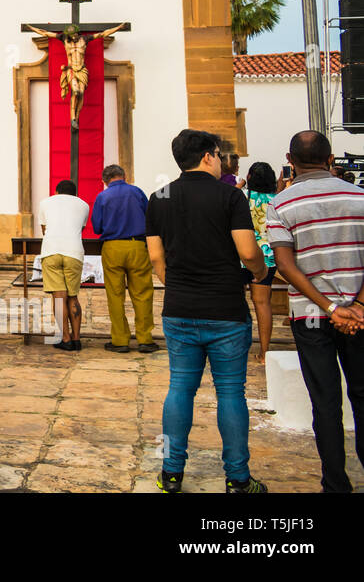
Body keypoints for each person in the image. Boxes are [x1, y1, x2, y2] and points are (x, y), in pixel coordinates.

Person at [147, 128, 269, 494]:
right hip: (226, 309)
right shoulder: (230, 196)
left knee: (180, 388)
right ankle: (237, 479)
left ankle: (171, 473)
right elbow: (248, 252)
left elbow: (156, 257)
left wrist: (180, 285)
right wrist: (259, 273)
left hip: (180, 307)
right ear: (207, 156)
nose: (221, 161)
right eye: (219, 154)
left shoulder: (159, 197)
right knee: (231, 392)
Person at [266, 130, 364, 493]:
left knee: (325, 402)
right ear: (330, 157)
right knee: (363, 393)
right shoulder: (359, 196)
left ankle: (336, 483)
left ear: (290, 161)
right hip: (359, 315)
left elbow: (285, 266)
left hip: (311, 314)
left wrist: (329, 307)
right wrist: (356, 306)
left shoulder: (282, 204)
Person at [91, 164, 156, 353]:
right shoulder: (137, 192)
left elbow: (97, 227)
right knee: (143, 293)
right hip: (137, 245)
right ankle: (145, 339)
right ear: (124, 176)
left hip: (112, 247)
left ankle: (120, 340)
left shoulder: (102, 196)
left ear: (104, 181)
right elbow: (149, 217)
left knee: (115, 295)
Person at [36, 179, 89, 351]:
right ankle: (76, 339)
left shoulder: (45, 202)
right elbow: (79, 228)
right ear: (75, 193)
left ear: (57, 191)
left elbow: (45, 230)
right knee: (73, 296)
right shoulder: (84, 205)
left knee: (59, 297)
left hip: (51, 251)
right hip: (74, 252)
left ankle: (65, 338)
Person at [245, 161, 279, 363]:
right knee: (263, 303)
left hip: (241, 256)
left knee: (237, 303)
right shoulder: (277, 201)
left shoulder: (242, 199)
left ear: (249, 178)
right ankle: (265, 352)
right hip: (268, 257)